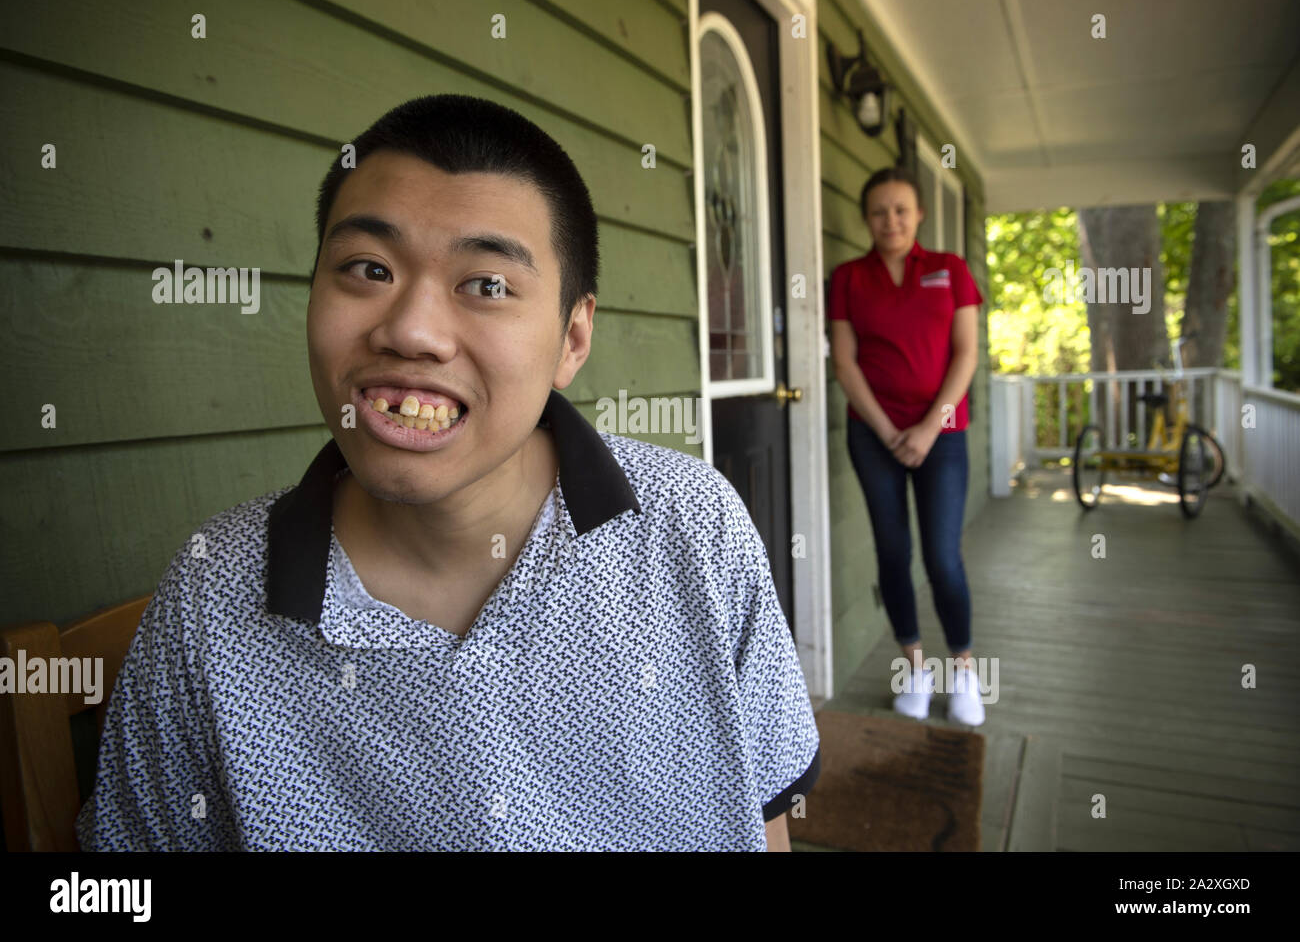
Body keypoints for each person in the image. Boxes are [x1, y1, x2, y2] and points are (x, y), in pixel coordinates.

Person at [75, 94, 820, 851]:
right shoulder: (213, 595)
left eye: (487, 284)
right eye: (368, 268)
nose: (411, 330)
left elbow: (762, 822)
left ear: (572, 337)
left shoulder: (692, 527)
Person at [827, 167, 984, 726]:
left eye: (900, 210)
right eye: (878, 211)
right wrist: (888, 430)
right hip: (874, 435)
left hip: (942, 433)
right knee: (893, 552)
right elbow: (844, 362)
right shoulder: (847, 277)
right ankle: (914, 668)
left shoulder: (950, 270)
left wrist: (926, 428)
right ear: (866, 219)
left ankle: (963, 672)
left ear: (918, 215)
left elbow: (965, 355)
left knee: (942, 557)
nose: (890, 220)